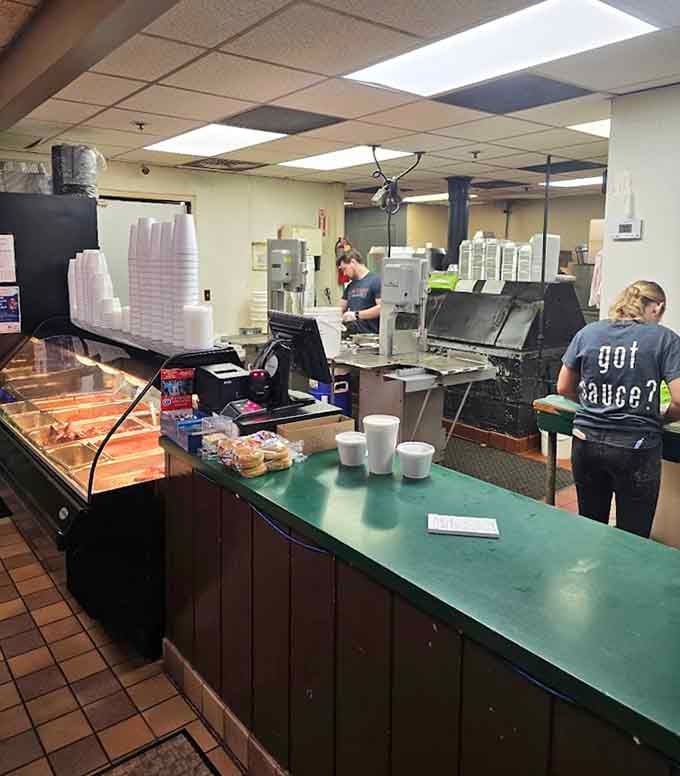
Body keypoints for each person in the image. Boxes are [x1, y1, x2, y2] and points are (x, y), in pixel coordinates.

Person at [557, 280, 680, 538]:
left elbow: (564, 387)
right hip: (635, 448)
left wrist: (594, 405)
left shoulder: (588, 333)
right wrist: (663, 415)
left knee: (590, 527)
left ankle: (592, 575)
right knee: (633, 537)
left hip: (585, 442)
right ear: (656, 308)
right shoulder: (664, 339)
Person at [337, 250, 381, 334]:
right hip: (354, 337)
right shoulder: (350, 286)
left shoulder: (376, 281)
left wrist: (356, 315)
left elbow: (381, 308)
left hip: (371, 337)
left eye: (345, 269)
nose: (344, 274)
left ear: (353, 262)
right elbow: (340, 309)